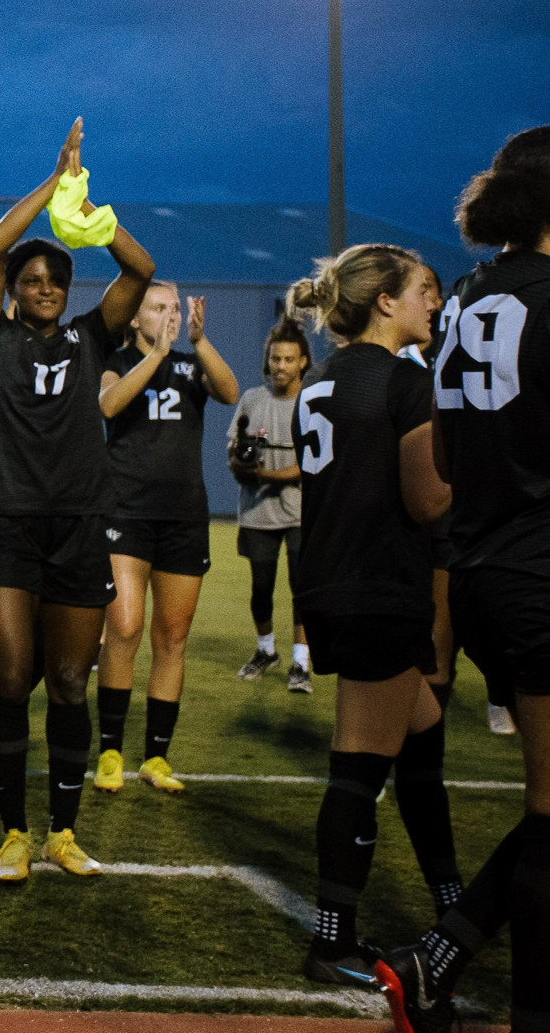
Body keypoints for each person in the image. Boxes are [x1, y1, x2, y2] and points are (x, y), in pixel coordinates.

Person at [369, 124, 550, 1033]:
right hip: (537, 566)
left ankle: (439, 957)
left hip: (481, 565)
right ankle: (476, 981)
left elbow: (440, 457)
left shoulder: (473, 295)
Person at [0, 119, 155, 882]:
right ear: (15, 291)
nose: (45, 285)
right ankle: (14, 832)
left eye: (57, 279)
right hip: (4, 522)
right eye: (33, 278)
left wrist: (89, 217)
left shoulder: (90, 338)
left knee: (70, 682)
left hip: (79, 527)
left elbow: (139, 272)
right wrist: (49, 185)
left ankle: (62, 832)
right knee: (11, 678)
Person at [281, 244, 460, 989]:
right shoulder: (404, 381)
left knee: (422, 735)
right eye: (422, 289)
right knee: (358, 765)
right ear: (385, 299)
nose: (434, 303)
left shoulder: (318, 381)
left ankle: (452, 897)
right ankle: (334, 939)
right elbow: (428, 501)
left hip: (330, 583)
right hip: (378, 584)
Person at [94, 283, 239, 794]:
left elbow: (229, 391)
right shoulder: (113, 359)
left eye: (176, 308)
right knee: (125, 627)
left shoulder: (189, 363)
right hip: (126, 514)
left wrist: (198, 342)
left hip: (183, 518)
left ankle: (156, 757)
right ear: (134, 317)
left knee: (172, 638)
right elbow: (109, 405)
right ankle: (110, 750)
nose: (171, 315)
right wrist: (153, 355)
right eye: (159, 307)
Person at [228, 318, 312, 689]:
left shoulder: (310, 402)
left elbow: (310, 467)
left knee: (302, 589)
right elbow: (235, 451)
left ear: (303, 362)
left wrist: (265, 476)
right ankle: (266, 651)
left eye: (289, 359)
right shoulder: (251, 399)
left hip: (300, 513)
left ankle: (300, 663)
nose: (281, 366)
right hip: (257, 513)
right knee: (260, 589)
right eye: (276, 359)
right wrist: (241, 465)